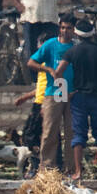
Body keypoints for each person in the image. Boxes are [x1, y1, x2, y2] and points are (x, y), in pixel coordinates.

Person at [54, 20, 97, 181]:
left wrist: (66, 93)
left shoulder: (72, 52)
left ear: (76, 33)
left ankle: (78, 172)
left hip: (79, 97)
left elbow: (57, 72)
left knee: (79, 135)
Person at [29, 14, 75, 173]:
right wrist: (47, 69)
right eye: (63, 27)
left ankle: (71, 169)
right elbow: (31, 62)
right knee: (49, 132)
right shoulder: (50, 44)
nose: (65, 31)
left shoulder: (75, 47)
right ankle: (47, 168)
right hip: (53, 91)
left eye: (68, 28)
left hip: (71, 93)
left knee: (71, 132)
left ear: (74, 30)